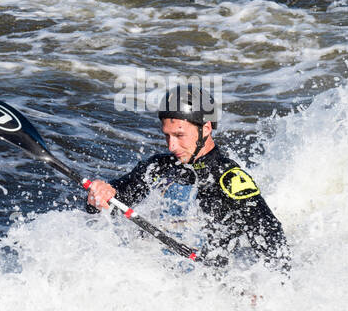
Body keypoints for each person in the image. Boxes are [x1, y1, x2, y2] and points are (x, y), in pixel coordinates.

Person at [85, 84, 290, 273]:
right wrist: (100, 195)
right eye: (167, 135)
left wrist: (264, 290)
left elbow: (272, 237)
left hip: (213, 284)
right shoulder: (158, 167)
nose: (171, 146)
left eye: (179, 135)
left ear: (206, 129)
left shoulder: (229, 179)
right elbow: (116, 201)